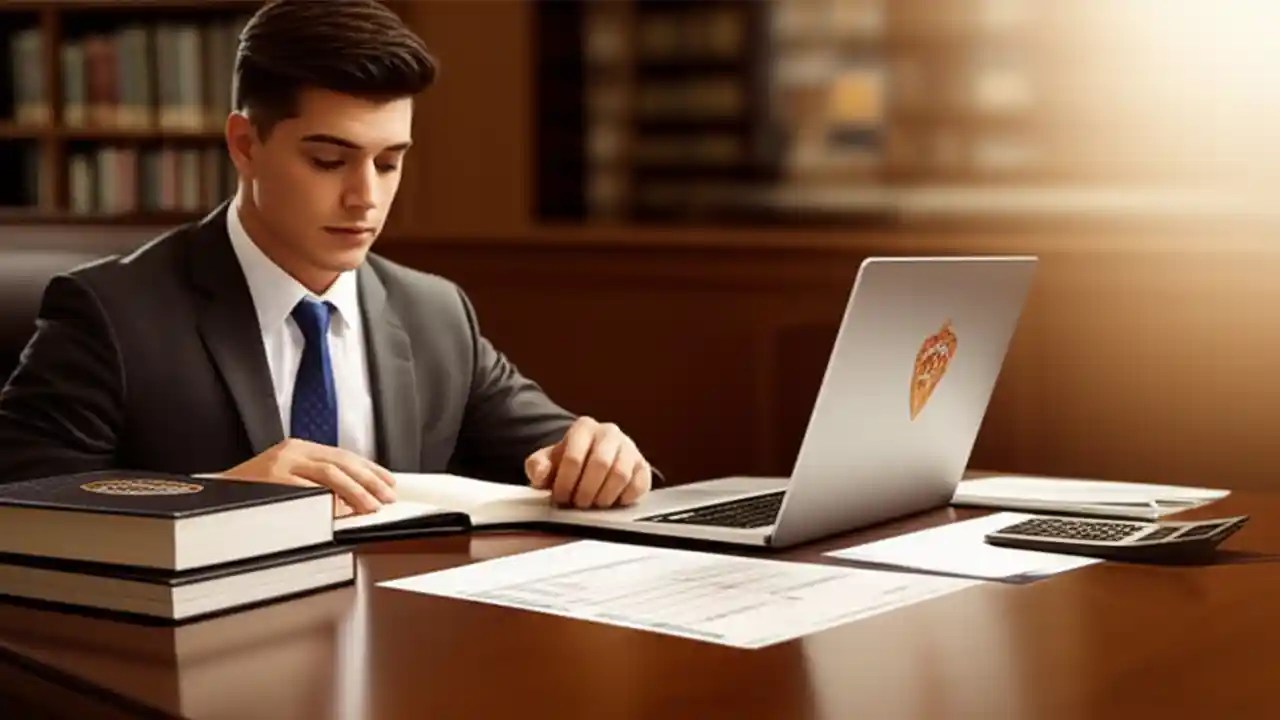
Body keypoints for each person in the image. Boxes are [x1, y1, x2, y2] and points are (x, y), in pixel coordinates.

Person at [0, 0, 654, 515]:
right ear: (245, 144)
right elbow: (20, 504)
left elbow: (575, 455)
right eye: (328, 160)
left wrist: (605, 459)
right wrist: (213, 499)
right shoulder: (109, 313)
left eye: (390, 162)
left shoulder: (435, 314)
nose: (365, 197)